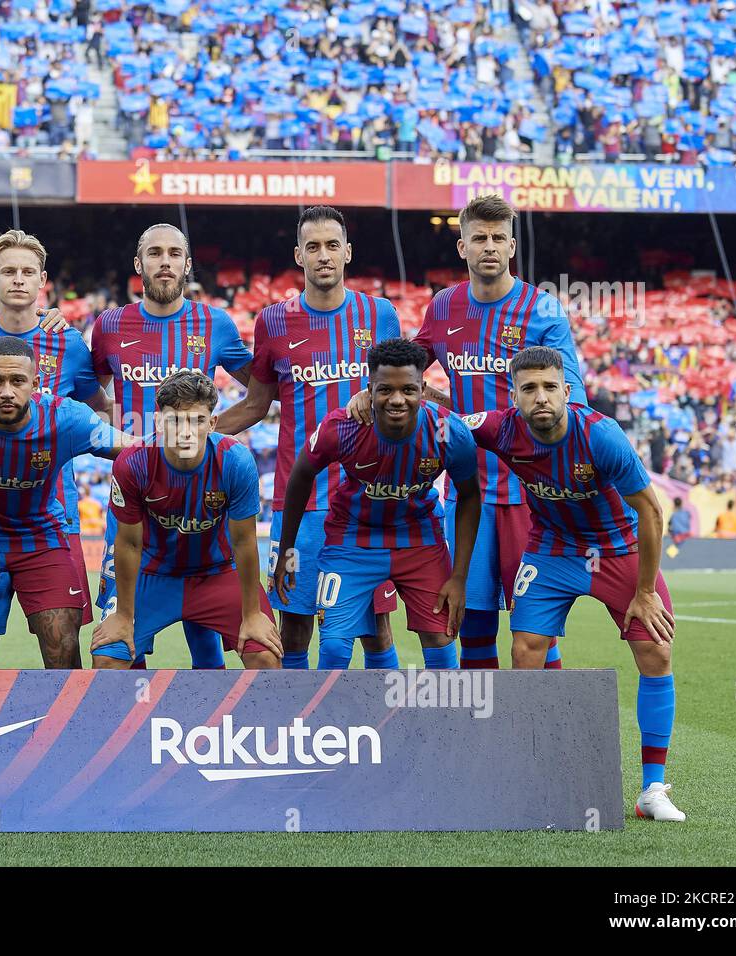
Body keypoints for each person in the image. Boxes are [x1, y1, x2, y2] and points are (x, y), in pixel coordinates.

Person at [347, 194, 587, 670]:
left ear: (512, 245)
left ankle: (545, 718)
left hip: (530, 491)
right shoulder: (444, 307)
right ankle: (483, 719)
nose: (489, 246)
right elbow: (407, 369)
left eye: (498, 238)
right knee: (471, 622)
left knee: (534, 626)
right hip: (467, 490)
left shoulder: (542, 309)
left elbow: (572, 393)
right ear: (463, 247)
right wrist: (367, 392)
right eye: (479, 238)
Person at [466, 346, 683, 822]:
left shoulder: (601, 435)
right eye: (528, 388)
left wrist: (645, 591)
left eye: (549, 387)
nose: (540, 397)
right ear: (514, 396)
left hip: (618, 548)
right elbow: (440, 425)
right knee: (526, 649)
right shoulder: (500, 428)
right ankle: (527, 776)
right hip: (552, 550)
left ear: (567, 391)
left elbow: (651, 511)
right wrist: (381, 401)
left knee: (656, 650)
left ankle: (652, 790)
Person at [215, 204, 402, 669]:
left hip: (367, 500)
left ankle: (387, 714)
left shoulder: (380, 315)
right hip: (299, 504)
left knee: (374, 629)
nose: (323, 255)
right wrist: (196, 434)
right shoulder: (273, 322)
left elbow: (403, 396)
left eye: (332, 245)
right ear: (299, 255)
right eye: (313, 246)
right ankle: (300, 717)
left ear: (347, 252)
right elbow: (256, 405)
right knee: (294, 629)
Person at [90, 223, 255, 668]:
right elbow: (90, 394)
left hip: (200, 494)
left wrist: (208, 436)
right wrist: (125, 441)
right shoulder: (109, 325)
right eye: (155, 253)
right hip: (138, 493)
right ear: (138, 263)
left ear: (187, 264)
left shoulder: (215, 324)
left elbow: (261, 393)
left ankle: (210, 711)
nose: (165, 261)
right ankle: (134, 712)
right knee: (122, 637)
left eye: (174, 253)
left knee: (205, 632)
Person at [0, 230, 110, 669]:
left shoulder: (69, 343)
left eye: (27, 271)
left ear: (42, 280)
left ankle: (65, 715)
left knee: (61, 642)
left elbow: (99, 411)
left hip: (53, 516)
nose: (18, 279)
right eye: (8, 271)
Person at [0, 337, 132, 668]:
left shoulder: (66, 417)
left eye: (17, 381)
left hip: (39, 540)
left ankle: (67, 705)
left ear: (35, 384)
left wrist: (197, 445)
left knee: (62, 646)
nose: (7, 391)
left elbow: (134, 447)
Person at [273, 339, 480, 669]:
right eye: (385, 390)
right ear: (370, 389)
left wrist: (459, 577)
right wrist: (287, 550)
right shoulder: (343, 427)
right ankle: (331, 706)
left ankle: (443, 707)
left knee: (442, 642)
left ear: (423, 389)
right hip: (352, 540)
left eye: (408, 390)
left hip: (420, 540)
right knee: (334, 648)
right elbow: (300, 477)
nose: (397, 399)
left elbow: (470, 496)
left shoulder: (448, 432)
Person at [91, 370, 281, 670]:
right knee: (107, 658)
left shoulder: (235, 460)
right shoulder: (133, 462)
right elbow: (128, 544)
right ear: (158, 422)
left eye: (197, 420)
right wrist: (124, 616)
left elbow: (244, 542)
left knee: (265, 655)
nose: (186, 431)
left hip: (218, 572)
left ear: (213, 423)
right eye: (175, 420)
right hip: (152, 574)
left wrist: (253, 614)